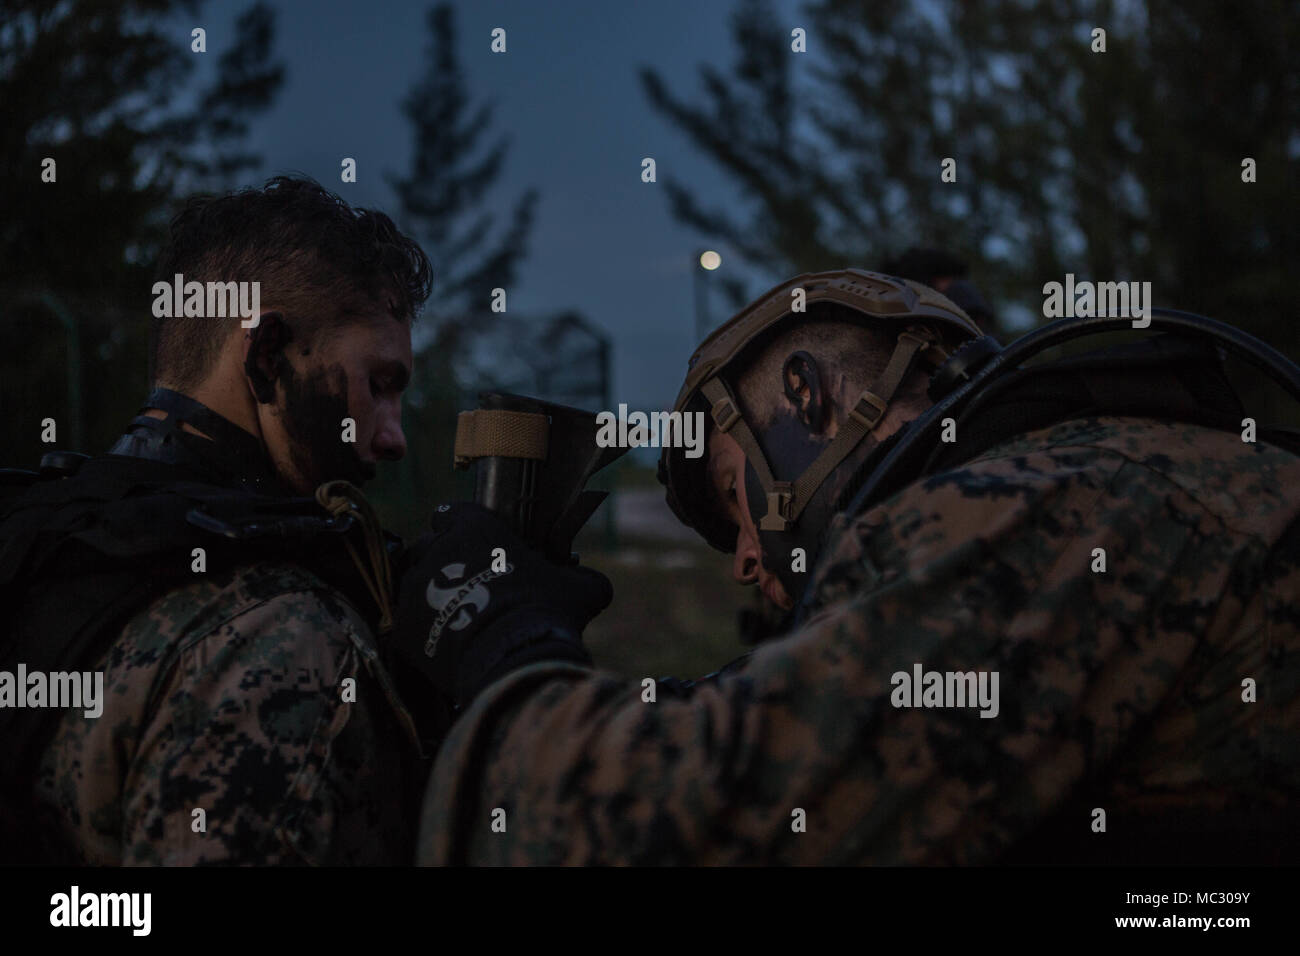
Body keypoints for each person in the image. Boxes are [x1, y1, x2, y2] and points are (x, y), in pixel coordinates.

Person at [402, 268, 1300, 865]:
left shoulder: (1017, 504)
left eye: (733, 496)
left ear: (810, 396)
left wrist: (505, 644)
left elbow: (691, 827)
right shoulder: (1095, 472)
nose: (748, 563)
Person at [0, 175, 435, 864]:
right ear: (267, 360)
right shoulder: (282, 637)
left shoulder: (35, 539)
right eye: (377, 385)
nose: (393, 438)